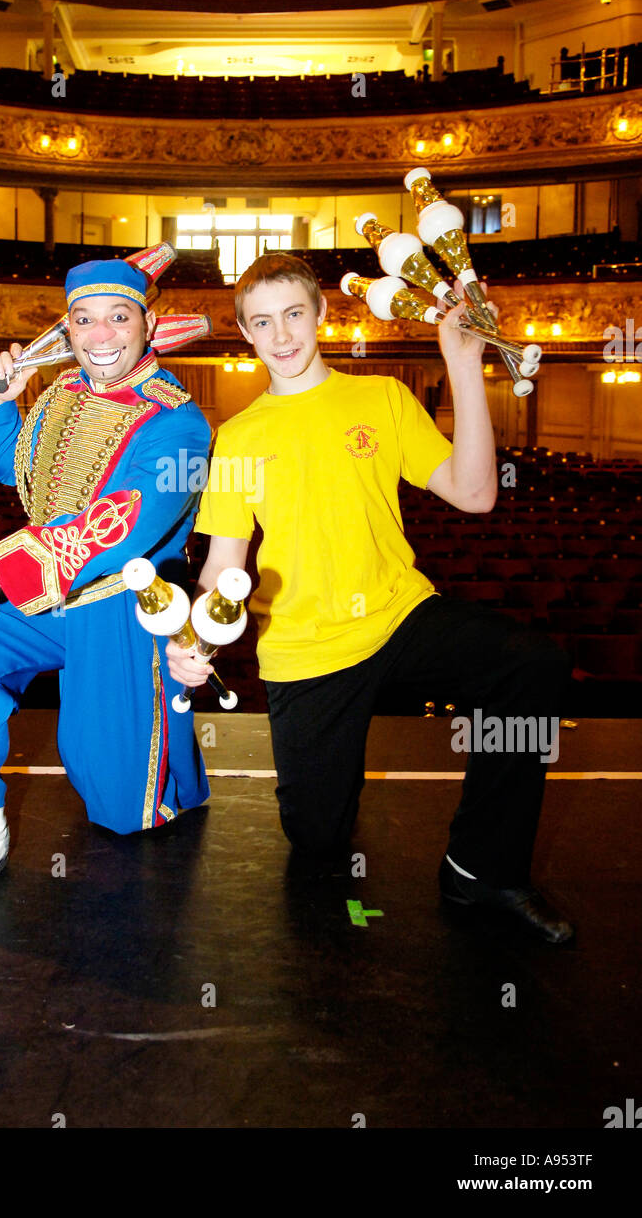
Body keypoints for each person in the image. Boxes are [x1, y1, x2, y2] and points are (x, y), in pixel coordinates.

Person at [167, 252, 574, 945]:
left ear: (322, 313)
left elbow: (474, 494)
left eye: (294, 313)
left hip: (398, 614)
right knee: (316, 838)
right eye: (263, 322)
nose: (283, 334)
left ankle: (481, 869)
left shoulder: (380, 398)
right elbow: (222, 569)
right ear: (245, 333)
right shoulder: (235, 439)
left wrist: (462, 365)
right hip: (306, 649)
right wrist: (193, 640)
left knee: (527, 664)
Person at [0, 248, 211, 920]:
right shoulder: (61, 395)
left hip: (121, 604)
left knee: (120, 809)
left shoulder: (179, 422)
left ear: (147, 324)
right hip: (44, 598)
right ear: (66, 329)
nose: (101, 335)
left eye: (118, 317)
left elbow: (120, 526)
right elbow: (23, 474)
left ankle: (173, 768)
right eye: (85, 320)